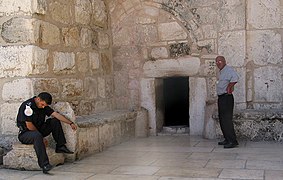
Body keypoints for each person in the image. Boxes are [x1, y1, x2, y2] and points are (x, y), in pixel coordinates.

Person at [16, 92, 77, 173]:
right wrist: (42, 137)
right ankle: (45, 165)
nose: (43, 106)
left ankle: (60, 146)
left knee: (54, 121)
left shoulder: (43, 106)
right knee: (37, 135)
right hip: (25, 133)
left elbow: (56, 115)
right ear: (38, 99)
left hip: (38, 130)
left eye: (45, 105)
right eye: (42, 104)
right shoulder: (27, 106)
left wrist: (70, 123)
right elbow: (29, 126)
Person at [215, 56, 239, 148]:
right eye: (216, 61)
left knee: (227, 120)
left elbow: (235, 78)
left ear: (224, 61)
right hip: (221, 98)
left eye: (220, 61)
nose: (218, 63)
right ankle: (227, 139)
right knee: (222, 119)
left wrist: (230, 87)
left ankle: (233, 141)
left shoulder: (228, 69)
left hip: (227, 98)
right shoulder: (221, 72)